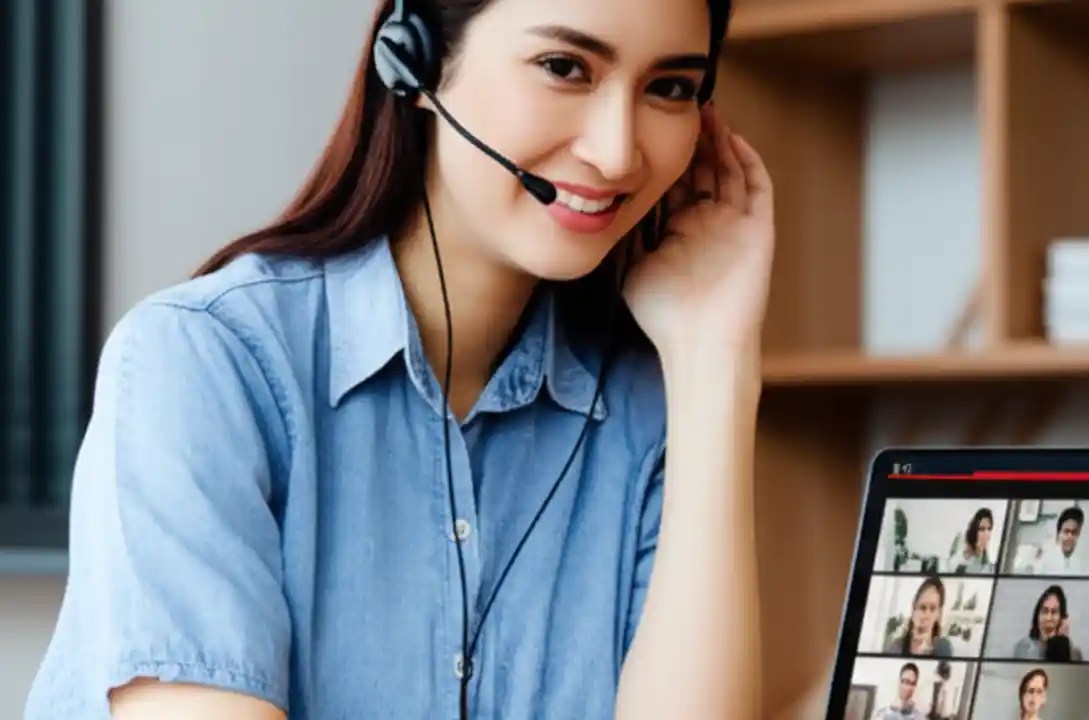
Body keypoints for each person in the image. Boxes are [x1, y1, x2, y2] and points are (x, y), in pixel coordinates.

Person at [24, 1, 774, 719]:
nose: (617, 150)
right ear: (415, 57)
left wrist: (716, 364)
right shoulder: (204, 363)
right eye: (564, 66)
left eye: (671, 88)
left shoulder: (647, 416)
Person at [885, 577, 955, 657]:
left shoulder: (944, 647)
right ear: (913, 610)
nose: (926, 615)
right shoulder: (897, 646)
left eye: (932, 609)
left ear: (938, 614)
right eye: (922, 607)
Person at [1012, 585, 1083, 662]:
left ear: (1062, 618)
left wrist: (1060, 643)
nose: (1048, 618)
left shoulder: (1073, 653)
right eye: (1045, 611)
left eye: (1054, 612)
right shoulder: (1023, 648)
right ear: (1037, 616)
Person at [1031, 507, 1088, 575]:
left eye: (1074, 532)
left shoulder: (1079, 562)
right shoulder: (1047, 560)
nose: (1070, 536)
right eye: (1066, 531)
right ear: (1058, 534)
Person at [946, 508, 995, 574]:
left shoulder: (985, 557)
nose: (986, 534)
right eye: (982, 529)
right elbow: (950, 566)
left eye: (989, 529)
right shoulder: (961, 541)